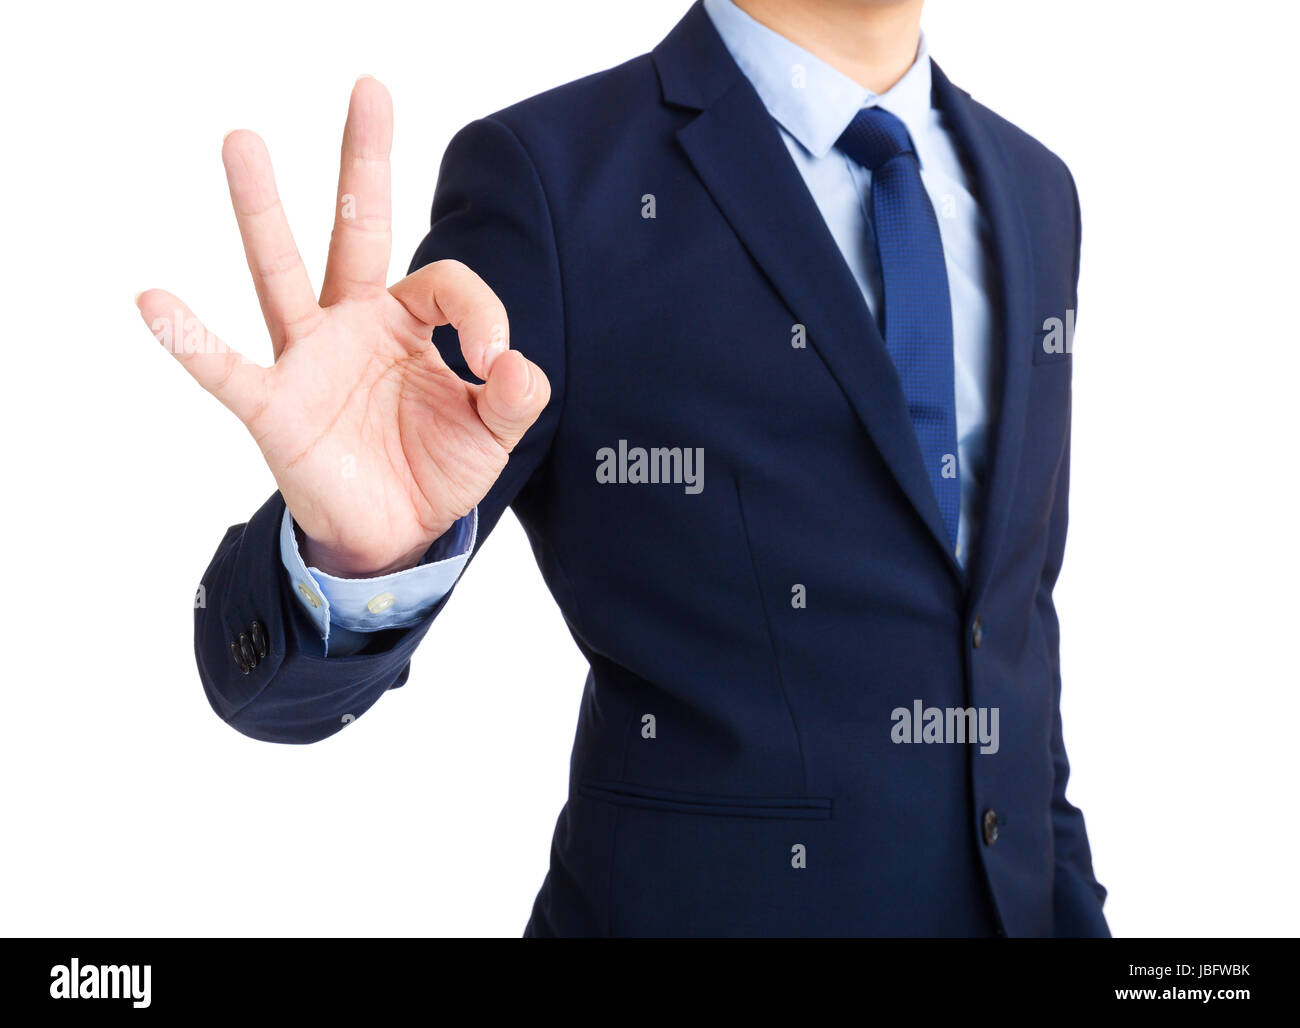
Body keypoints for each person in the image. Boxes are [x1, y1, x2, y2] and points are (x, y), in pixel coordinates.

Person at [136, 0, 1107, 937]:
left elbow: (1009, 637)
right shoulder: (556, 179)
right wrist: (351, 557)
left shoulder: (1034, 189)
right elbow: (261, 680)